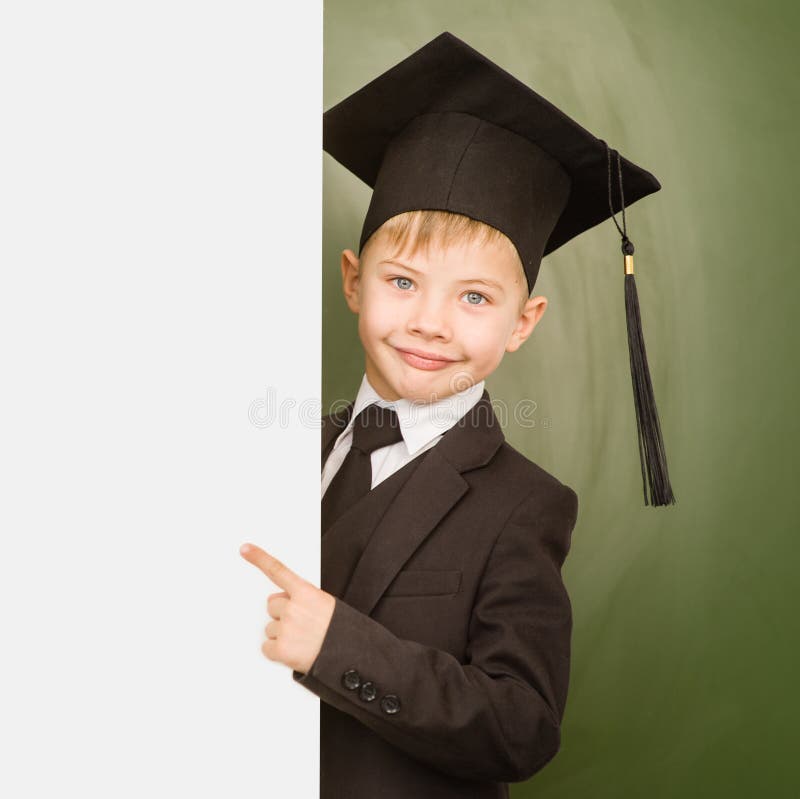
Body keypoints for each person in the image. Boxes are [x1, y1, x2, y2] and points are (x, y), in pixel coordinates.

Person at [241, 30, 676, 799]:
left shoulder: (524, 506)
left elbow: (521, 723)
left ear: (523, 321)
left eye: (475, 297)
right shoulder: (279, 454)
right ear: (352, 280)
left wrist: (341, 645)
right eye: (402, 282)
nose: (431, 322)